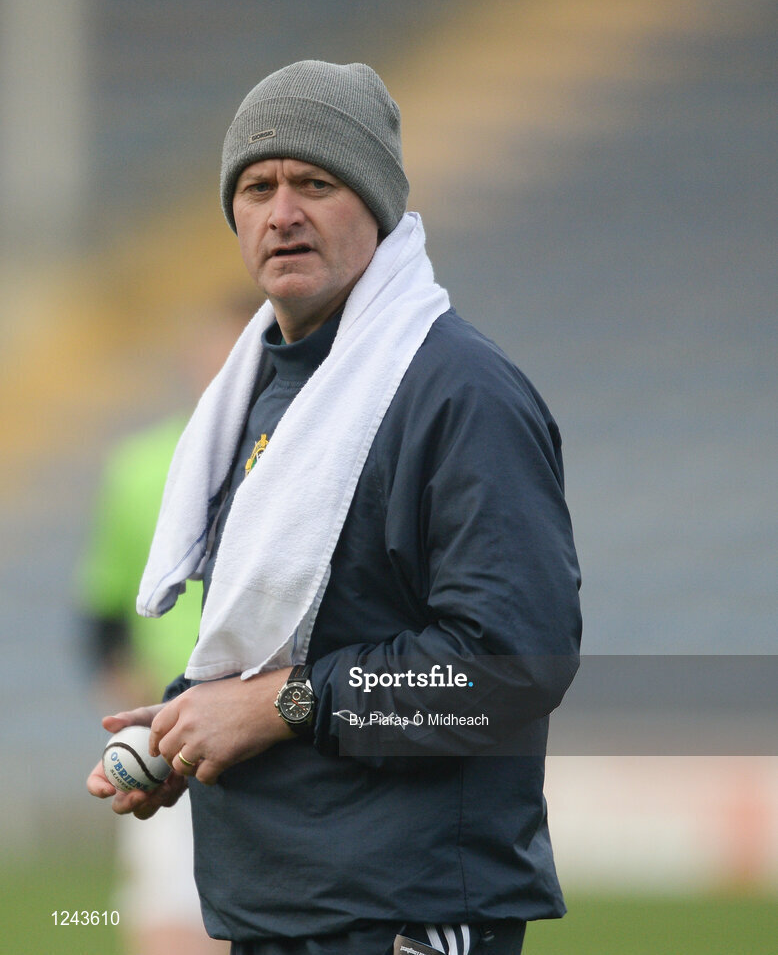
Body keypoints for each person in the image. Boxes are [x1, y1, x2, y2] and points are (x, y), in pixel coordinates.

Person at [87, 61, 582, 955]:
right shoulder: (257, 394)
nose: (282, 212)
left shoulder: (458, 393)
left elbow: (509, 669)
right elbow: (282, 638)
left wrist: (281, 707)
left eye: (316, 182)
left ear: (379, 205)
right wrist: (186, 724)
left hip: (406, 913)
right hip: (273, 909)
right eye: (257, 187)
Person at [79, 300, 253, 955]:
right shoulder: (138, 467)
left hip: (273, 730)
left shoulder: (302, 467)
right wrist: (134, 717)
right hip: (172, 734)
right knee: (167, 930)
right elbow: (102, 618)